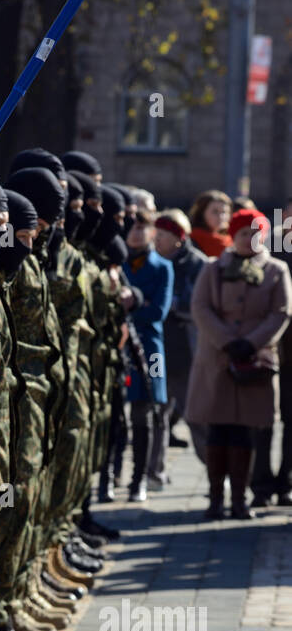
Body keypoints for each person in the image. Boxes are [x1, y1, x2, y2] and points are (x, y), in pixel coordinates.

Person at [186, 209, 292, 519]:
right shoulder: (213, 268)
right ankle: (216, 498)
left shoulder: (276, 270)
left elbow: (281, 312)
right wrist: (227, 341)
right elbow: (200, 307)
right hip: (218, 361)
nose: (250, 239)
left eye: (256, 232)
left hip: (254, 363)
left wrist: (252, 343)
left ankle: (241, 499)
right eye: (244, 233)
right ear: (234, 236)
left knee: (247, 433)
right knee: (217, 431)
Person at [121, 212, 174, 502]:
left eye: (143, 228)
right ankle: (110, 476)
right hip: (121, 344)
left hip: (151, 349)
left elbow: (158, 311)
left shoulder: (163, 266)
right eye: (132, 227)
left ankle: (140, 478)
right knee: (118, 413)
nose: (137, 233)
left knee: (147, 411)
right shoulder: (115, 263)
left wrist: (131, 305)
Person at [153, 210, 208, 471]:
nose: (157, 241)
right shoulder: (148, 261)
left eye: (162, 235)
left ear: (178, 236)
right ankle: (152, 473)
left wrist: (170, 303)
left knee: (196, 416)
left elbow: (202, 304)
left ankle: (215, 473)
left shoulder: (199, 264)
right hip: (156, 351)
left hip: (187, 351)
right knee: (156, 415)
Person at [251, 198, 292, 506]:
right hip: (266, 347)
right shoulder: (267, 249)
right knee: (262, 420)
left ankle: (286, 483)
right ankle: (260, 486)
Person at [189, 190, 232, 258]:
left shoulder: (232, 240)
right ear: (201, 213)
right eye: (215, 212)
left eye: (224, 212)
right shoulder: (192, 241)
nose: (221, 217)